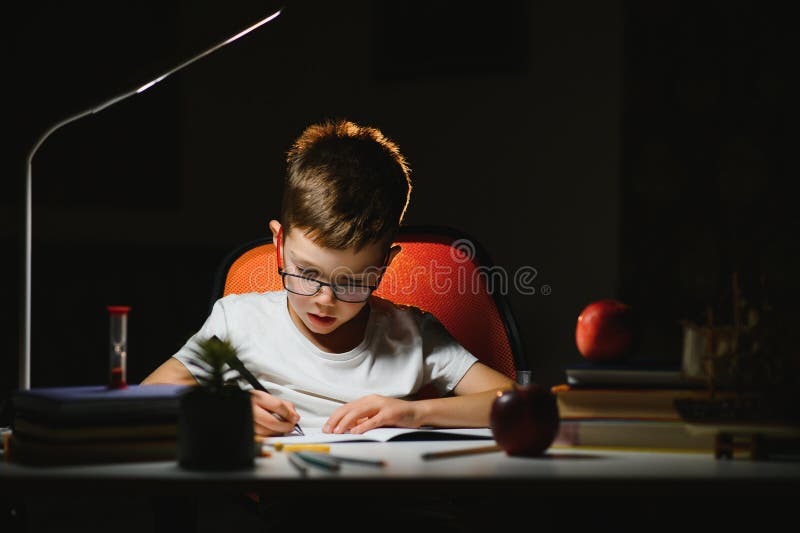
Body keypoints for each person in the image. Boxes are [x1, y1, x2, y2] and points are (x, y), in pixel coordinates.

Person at [142, 119, 514, 436]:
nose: (325, 299)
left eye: (351, 282)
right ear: (279, 244)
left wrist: (415, 414)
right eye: (306, 273)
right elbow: (146, 396)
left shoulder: (412, 335)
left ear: (385, 265)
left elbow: (516, 401)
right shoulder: (239, 321)